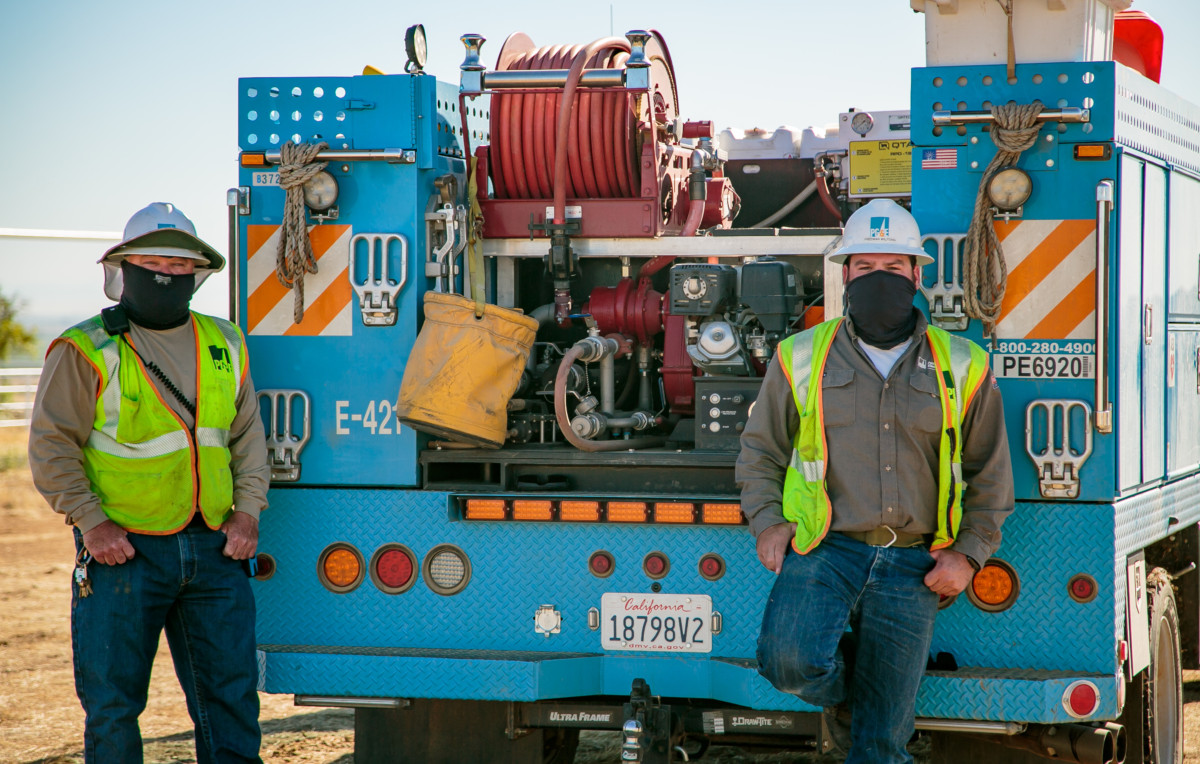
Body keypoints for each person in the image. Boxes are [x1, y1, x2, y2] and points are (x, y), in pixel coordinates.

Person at [736, 198, 1014, 763]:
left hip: (916, 565)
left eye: (892, 269)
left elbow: (990, 474)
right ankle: (852, 699)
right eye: (865, 269)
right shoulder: (799, 358)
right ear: (845, 276)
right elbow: (761, 450)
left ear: (916, 274)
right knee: (788, 665)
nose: (878, 280)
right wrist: (767, 523)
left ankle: (870, 716)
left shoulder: (963, 364)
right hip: (826, 551)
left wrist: (968, 555)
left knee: (881, 747)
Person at [28, 202, 270, 764]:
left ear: (197, 273)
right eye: (153, 260)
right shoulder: (85, 347)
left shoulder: (226, 343)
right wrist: (93, 523)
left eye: (180, 263)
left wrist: (249, 511)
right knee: (113, 710)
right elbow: (50, 447)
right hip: (123, 554)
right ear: (123, 267)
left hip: (215, 550)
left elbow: (247, 439)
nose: (167, 272)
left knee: (232, 702)